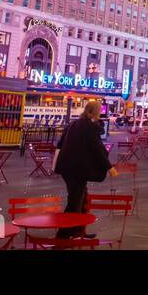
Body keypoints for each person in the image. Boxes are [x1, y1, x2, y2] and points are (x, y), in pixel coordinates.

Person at [54, 100, 118, 238]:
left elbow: (60, 143)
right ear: (94, 112)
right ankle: (63, 236)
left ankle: (78, 231)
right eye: (99, 111)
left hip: (67, 167)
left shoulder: (73, 124)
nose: (100, 113)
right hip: (77, 169)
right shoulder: (89, 127)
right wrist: (109, 167)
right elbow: (98, 148)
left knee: (81, 199)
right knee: (75, 202)